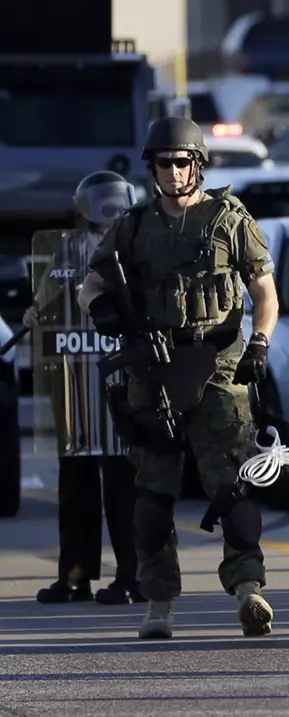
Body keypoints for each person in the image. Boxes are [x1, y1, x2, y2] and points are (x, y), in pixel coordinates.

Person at [77, 117, 280, 639]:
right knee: (152, 495)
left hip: (217, 366)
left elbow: (264, 291)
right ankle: (159, 604)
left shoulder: (229, 219)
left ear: (198, 164)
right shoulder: (136, 224)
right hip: (154, 369)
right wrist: (101, 310)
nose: (173, 171)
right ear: (153, 168)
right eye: (163, 163)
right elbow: (92, 282)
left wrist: (260, 343)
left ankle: (248, 589)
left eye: (181, 161)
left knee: (233, 486)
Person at [28, 172, 142, 606]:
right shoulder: (64, 250)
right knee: (76, 483)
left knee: (123, 483)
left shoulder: (135, 247)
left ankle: (131, 575)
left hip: (123, 384)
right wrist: (34, 315)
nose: (108, 211)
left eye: (115, 203)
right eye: (101, 203)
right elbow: (49, 304)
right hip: (75, 386)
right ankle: (74, 575)